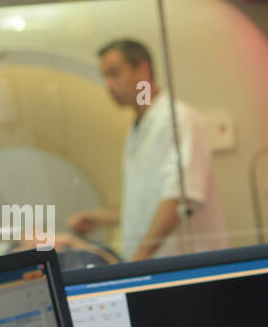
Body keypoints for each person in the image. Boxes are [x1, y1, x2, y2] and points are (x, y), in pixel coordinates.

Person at [69, 39, 228, 260]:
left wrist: (139, 258)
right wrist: (100, 218)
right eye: (105, 76)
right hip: (156, 266)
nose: (109, 85)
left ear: (143, 69)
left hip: (187, 265)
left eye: (114, 73)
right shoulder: (138, 129)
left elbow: (178, 199)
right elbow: (147, 205)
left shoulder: (178, 119)